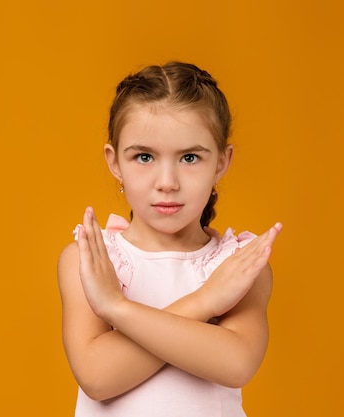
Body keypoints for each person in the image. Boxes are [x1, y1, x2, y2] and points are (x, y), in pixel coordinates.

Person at [57, 62, 282, 417]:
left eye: (189, 157)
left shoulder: (238, 266)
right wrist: (205, 301)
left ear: (222, 162)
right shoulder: (92, 260)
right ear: (115, 162)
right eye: (144, 157)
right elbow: (97, 377)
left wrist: (117, 308)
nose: (167, 182)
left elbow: (236, 363)